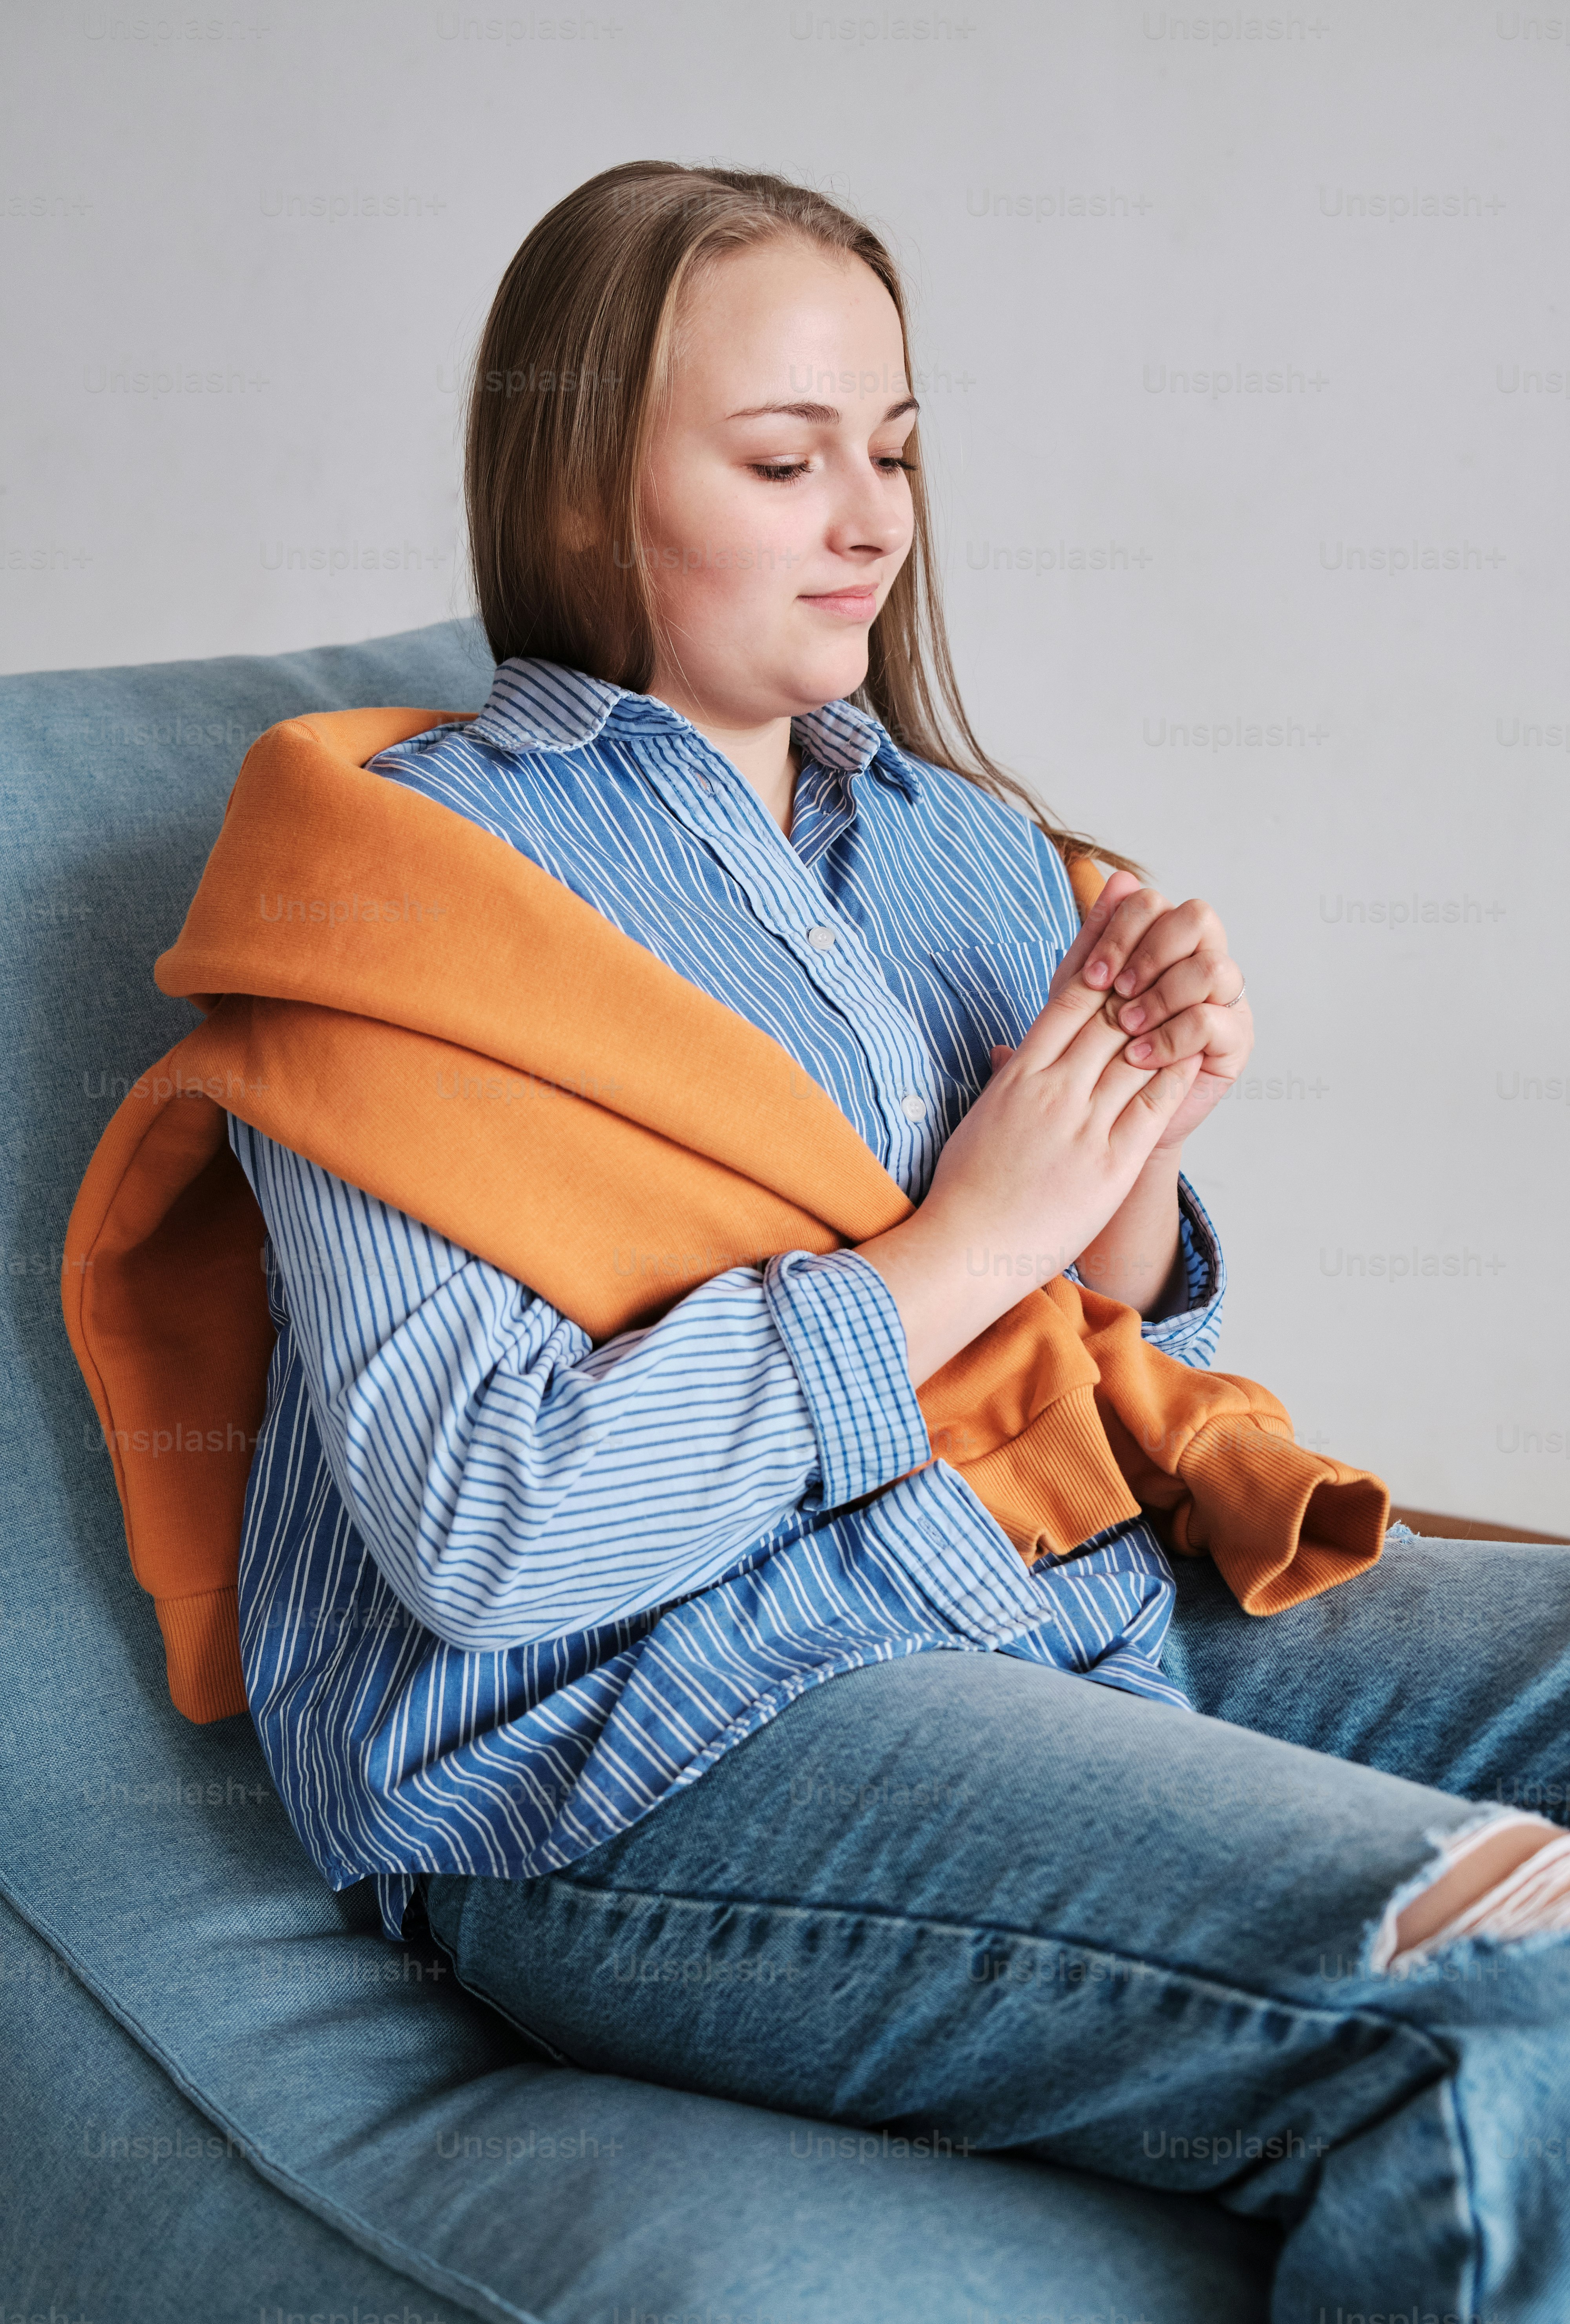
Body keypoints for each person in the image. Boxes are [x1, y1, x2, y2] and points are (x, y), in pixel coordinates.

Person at [228, 162, 1570, 2315]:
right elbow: (489, 1534)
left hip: (1053, 1601)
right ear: (581, 495)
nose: (870, 517)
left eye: (898, 449)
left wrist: (1127, 1135)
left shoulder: (948, 837)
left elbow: (1081, 1339)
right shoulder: (408, 883)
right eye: (785, 459)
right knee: (1518, 2009)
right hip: (638, 1743)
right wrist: (971, 1230)